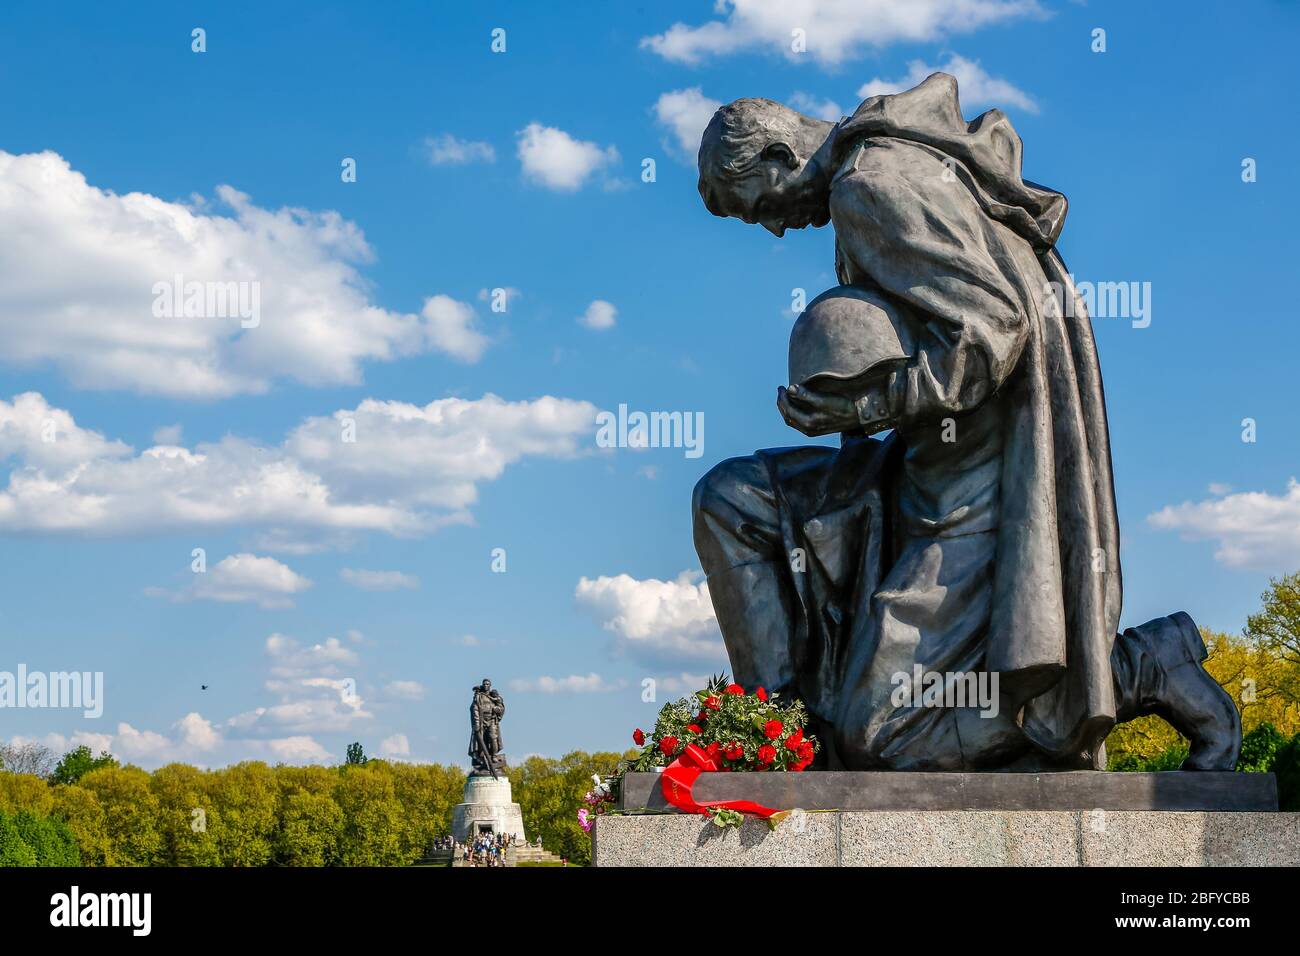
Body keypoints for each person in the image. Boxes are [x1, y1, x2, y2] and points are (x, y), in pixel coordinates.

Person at [693, 72, 1239, 771]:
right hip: (923, 460)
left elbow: (994, 332)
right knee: (733, 498)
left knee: (880, 736)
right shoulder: (877, 168)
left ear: (775, 157)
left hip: (982, 488)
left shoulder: (870, 184)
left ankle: (1140, 668)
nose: (773, 225)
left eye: (759, 207)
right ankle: (782, 738)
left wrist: (863, 407)